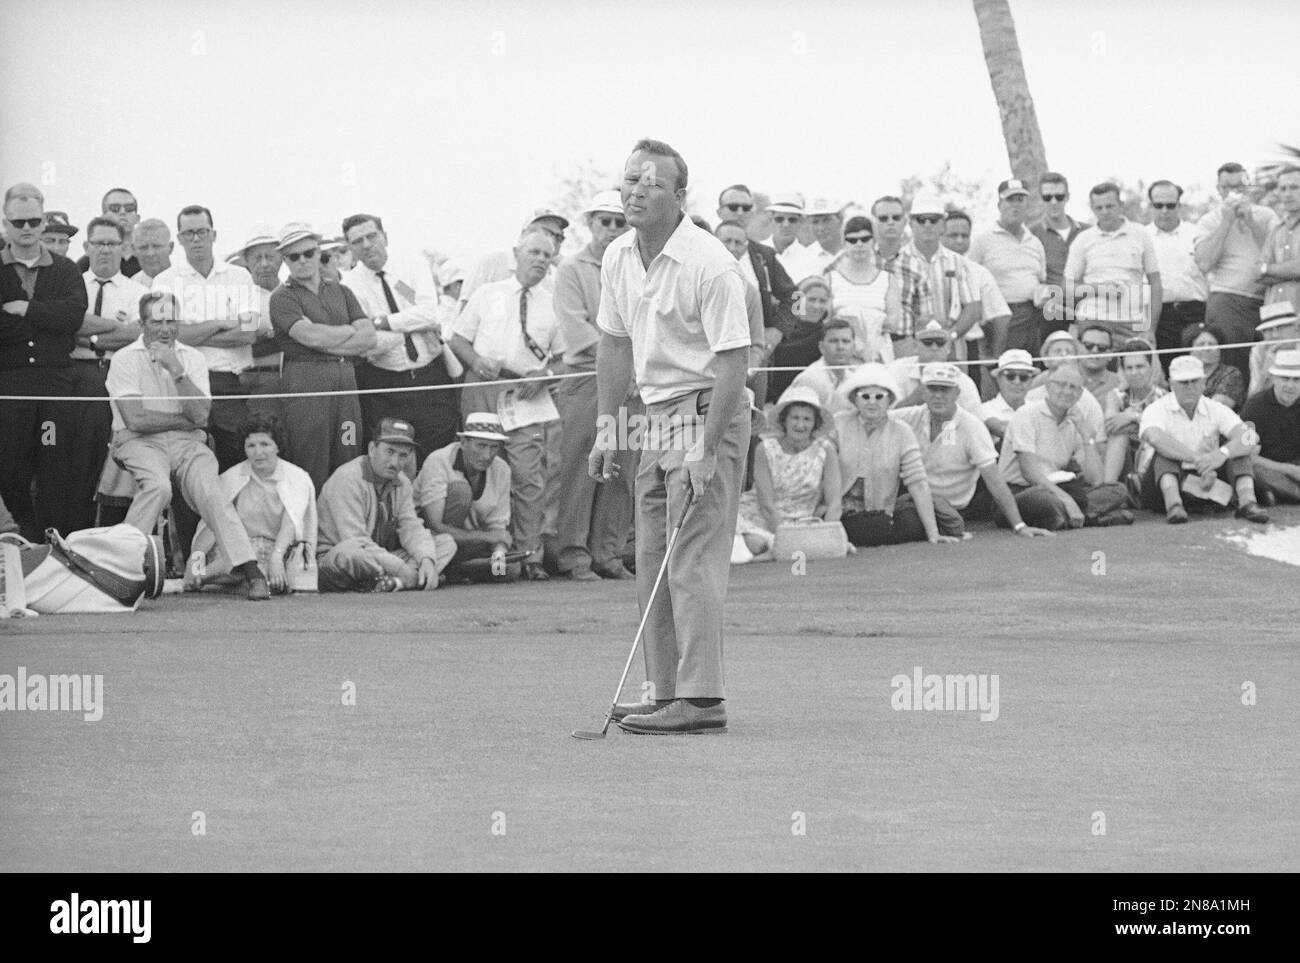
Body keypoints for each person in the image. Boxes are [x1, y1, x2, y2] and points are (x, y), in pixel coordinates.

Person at [590, 138, 752, 735]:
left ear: (680, 196)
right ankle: (664, 693)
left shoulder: (711, 263)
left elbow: (735, 362)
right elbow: (613, 343)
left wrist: (706, 448)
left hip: (709, 410)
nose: (635, 191)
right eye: (629, 179)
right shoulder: (616, 256)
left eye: (651, 183)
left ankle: (702, 700)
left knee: (691, 559)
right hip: (653, 415)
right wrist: (608, 428)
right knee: (651, 559)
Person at [105, 290, 270, 599]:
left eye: (172, 321)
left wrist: (175, 369)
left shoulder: (192, 358)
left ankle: (250, 570)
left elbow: (201, 416)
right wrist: (183, 420)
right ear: (143, 324)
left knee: (210, 492)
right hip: (139, 442)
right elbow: (136, 421)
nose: (166, 329)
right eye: (158, 321)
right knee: (158, 487)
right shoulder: (124, 359)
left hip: (187, 444)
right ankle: (118, 565)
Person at [450, 227, 570, 581]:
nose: (540, 261)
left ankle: (529, 556)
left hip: (527, 394)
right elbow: (457, 339)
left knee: (529, 476)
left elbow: (565, 359)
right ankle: (477, 554)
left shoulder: (554, 302)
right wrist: (474, 361)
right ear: (516, 253)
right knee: (478, 467)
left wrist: (545, 375)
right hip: (485, 385)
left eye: (547, 256)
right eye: (533, 252)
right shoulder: (488, 294)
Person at [554, 191, 635, 581]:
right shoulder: (572, 269)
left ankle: (610, 554)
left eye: (621, 222)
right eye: (606, 221)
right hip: (587, 381)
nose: (613, 229)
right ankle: (573, 556)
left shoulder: (638, 267)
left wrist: (633, 366)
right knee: (582, 469)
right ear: (591, 223)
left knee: (621, 470)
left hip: (633, 382)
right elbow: (578, 333)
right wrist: (623, 359)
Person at [1, 182, 87, 542]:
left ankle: (56, 543)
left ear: (42, 223)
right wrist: (46, 321)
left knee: (53, 461)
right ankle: (21, 541)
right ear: (5, 222)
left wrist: (25, 309)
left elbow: (73, 316)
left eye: (32, 221)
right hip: (11, 385)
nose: (25, 229)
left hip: (54, 388)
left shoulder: (66, 269)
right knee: (11, 466)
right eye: (17, 222)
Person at [341, 212, 460, 455]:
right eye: (357, 241)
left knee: (439, 453)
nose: (366, 245)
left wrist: (383, 321)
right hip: (385, 384)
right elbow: (367, 343)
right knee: (392, 458)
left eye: (371, 236)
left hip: (430, 377)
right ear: (350, 247)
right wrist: (410, 326)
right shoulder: (350, 285)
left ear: (385, 237)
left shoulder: (412, 265)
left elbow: (430, 314)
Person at [269, 222, 376, 491]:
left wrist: (327, 340)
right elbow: (310, 337)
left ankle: (346, 523)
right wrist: (350, 331)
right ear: (285, 261)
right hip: (308, 384)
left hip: (346, 387)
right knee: (311, 456)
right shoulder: (282, 297)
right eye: (294, 256)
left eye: (308, 253)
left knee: (349, 447)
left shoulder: (342, 291)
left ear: (319, 253)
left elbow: (369, 338)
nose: (302, 260)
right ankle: (311, 528)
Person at [154, 204, 260, 471]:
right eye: (188, 233)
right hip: (183, 382)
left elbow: (249, 332)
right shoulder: (164, 282)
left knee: (234, 464)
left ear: (214, 234)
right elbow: (165, 334)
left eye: (202, 231)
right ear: (178, 239)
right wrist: (220, 323)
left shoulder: (240, 276)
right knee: (186, 466)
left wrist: (191, 334)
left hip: (230, 383)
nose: (196, 239)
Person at [893, 363, 1050, 537]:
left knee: (907, 524)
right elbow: (874, 415)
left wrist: (1020, 526)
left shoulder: (972, 426)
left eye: (945, 389)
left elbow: (994, 479)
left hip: (951, 507)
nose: (938, 395)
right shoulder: (907, 417)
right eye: (932, 388)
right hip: (914, 499)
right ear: (923, 392)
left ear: (957, 393)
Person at [66, 217, 148, 531]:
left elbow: (140, 334)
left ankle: (114, 540)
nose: (105, 250)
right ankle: (75, 535)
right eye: (98, 243)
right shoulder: (70, 284)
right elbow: (68, 325)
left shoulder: (137, 291)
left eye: (112, 244)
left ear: (123, 248)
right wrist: (117, 328)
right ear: (87, 246)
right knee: (78, 460)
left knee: (114, 462)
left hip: (119, 375)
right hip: (77, 376)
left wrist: (93, 335)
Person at [316, 417, 454, 592]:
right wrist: (401, 568)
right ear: (372, 449)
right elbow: (356, 540)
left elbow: (411, 528)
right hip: (338, 558)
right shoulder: (347, 478)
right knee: (353, 552)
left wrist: (427, 560)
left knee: (445, 543)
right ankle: (405, 580)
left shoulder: (402, 482)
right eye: (389, 451)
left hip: (381, 556)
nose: (395, 462)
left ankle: (394, 583)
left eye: (403, 455)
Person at [832, 363, 961, 546]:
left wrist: (933, 533)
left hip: (880, 513)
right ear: (855, 400)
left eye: (879, 397)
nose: (872, 402)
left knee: (910, 522)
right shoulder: (838, 424)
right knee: (880, 526)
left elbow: (917, 483)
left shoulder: (902, 431)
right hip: (837, 512)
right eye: (865, 396)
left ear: (889, 400)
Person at [187, 413, 317, 594]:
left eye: (265, 444)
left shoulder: (296, 477)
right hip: (237, 548)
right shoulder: (232, 477)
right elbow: (210, 524)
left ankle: (207, 581)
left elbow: (291, 523)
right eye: (251, 446)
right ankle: (201, 577)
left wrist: (277, 558)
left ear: (277, 447)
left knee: (267, 570)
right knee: (245, 555)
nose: (258, 452)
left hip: (279, 550)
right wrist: (196, 562)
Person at [1137, 355, 1268, 524]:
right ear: (1171, 384)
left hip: (1208, 475)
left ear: (1203, 383)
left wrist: (1222, 453)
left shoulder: (1214, 408)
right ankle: (1174, 505)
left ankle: (1248, 503)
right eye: (1184, 382)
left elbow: (1251, 437)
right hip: (1164, 484)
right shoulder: (1157, 408)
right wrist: (1197, 459)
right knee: (1165, 454)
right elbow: (1155, 437)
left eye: (1194, 381)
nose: (1189, 387)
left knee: (1237, 453)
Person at [996, 363, 1116, 531]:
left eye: (1073, 387)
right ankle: (1083, 516)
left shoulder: (1075, 420)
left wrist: (1087, 437)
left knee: (1117, 490)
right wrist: (1068, 500)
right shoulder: (1027, 414)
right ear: (1048, 387)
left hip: (1058, 486)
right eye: (1061, 385)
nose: (1067, 392)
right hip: (1021, 491)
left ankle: (1064, 517)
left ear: (1080, 393)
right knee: (1046, 500)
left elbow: (1096, 480)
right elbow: (1029, 472)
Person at [1194, 162, 1282, 380]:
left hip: (1267, 300)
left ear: (1248, 188)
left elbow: (1279, 256)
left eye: (1239, 187)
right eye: (1227, 187)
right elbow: (1204, 263)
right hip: (1229, 300)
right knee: (1233, 366)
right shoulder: (1209, 220)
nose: (1234, 192)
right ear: (1219, 190)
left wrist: (1252, 223)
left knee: (1270, 364)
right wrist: (1226, 223)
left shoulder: (1266, 215)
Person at [735, 386, 841, 557]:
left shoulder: (826, 450)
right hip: (758, 518)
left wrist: (828, 536)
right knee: (758, 546)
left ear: (815, 423)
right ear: (784, 420)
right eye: (795, 418)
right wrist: (786, 539)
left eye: (807, 419)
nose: (800, 424)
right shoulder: (765, 449)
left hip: (804, 523)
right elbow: (766, 505)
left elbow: (834, 503)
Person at [414, 413, 516, 580]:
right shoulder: (438, 460)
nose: (487, 455)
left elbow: (498, 529)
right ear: (463, 442)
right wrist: (486, 537)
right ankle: (453, 567)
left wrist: (499, 553)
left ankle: (455, 569)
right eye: (481, 446)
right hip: (429, 540)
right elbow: (435, 525)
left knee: (510, 570)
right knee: (461, 491)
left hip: (469, 542)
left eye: (493, 447)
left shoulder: (502, 469)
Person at [1065, 183, 1162, 340]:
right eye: (1099, 208)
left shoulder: (1140, 234)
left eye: (1110, 206)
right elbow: (1067, 287)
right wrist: (1099, 289)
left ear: (1120, 205)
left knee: (1134, 363)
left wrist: (1150, 328)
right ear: (1093, 209)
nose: (1105, 212)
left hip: (1131, 321)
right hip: (1092, 319)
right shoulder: (1083, 239)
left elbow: (1155, 283)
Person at [969, 179, 1048, 355]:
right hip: (998, 318)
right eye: (1010, 200)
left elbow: (1042, 279)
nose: (1015, 206)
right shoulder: (983, 240)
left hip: (1032, 316)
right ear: (999, 205)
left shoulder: (1034, 242)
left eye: (1020, 200)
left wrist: (1042, 292)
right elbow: (970, 281)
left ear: (1027, 205)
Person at [941, 210, 1012, 396]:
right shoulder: (927, 267)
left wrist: (994, 356)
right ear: (940, 235)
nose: (959, 241)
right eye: (952, 235)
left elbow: (1001, 316)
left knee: (969, 402)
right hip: (933, 346)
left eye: (964, 236)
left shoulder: (978, 273)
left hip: (969, 348)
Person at [903, 196, 981, 362]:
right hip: (910, 351)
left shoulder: (959, 262)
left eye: (934, 219)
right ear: (911, 223)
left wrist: (950, 336)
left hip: (952, 350)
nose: (928, 225)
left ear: (943, 225)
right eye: (921, 219)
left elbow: (973, 307)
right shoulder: (897, 262)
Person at [1145, 180, 1208, 373]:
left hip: (1195, 313)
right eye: (1158, 205)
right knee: (1164, 373)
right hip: (1157, 317)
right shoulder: (1141, 236)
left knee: (1197, 371)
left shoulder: (1196, 233)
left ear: (1179, 205)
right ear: (1151, 206)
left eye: (1170, 205)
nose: (1165, 210)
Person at [824, 215, 901, 363]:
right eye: (852, 240)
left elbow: (893, 322)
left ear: (873, 241)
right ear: (844, 243)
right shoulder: (830, 278)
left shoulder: (888, 279)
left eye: (865, 239)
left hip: (879, 357)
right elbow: (825, 320)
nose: (859, 244)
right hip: (840, 355)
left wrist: (852, 319)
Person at [458, 209, 568, 308]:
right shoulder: (491, 263)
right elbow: (464, 311)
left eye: (559, 237)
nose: (554, 240)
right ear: (525, 233)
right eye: (548, 233)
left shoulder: (549, 284)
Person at [870, 195, 934, 356]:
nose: (890, 222)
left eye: (896, 217)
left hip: (903, 344)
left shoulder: (916, 266)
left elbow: (925, 316)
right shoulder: (858, 262)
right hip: (865, 342)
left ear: (904, 222)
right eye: (883, 218)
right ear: (874, 222)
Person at [236, 225, 286, 423]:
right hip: (252, 378)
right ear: (247, 262)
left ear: (281, 258)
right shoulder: (240, 297)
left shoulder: (294, 292)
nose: (264, 264)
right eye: (257, 258)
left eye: (270, 257)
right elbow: (245, 339)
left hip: (288, 378)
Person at [1030, 171, 1089, 336]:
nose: (1054, 202)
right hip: (1052, 310)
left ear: (1067, 197)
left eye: (1059, 196)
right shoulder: (1032, 235)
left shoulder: (1087, 232)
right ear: (1041, 198)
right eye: (1048, 197)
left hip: (1088, 305)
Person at [1101, 339, 1166, 483]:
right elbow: (1111, 426)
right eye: (1129, 368)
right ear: (1123, 371)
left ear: (1150, 367)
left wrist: (1132, 416)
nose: (1134, 372)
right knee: (1119, 434)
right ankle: (1109, 487)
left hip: (1154, 456)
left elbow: (1162, 431)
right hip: (1124, 456)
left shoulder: (1163, 397)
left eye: (1140, 366)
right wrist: (1136, 420)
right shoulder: (1116, 396)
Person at [1026, 330, 1107, 442]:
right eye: (1058, 351)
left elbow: (1099, 442)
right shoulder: (1031, 397)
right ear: (1045, 360)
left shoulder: (1088, 402)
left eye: (1068, 351)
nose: (1063, 355)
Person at [887, 319, 981, 414]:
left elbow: (977, 422)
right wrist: (915, 398)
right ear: (915, 345)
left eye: (940, 342)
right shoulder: (896, 370)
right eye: (927, 342)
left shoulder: (963, 382)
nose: (934, 348)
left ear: (948, 347)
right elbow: (884, 418)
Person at [1242, 349, 1300, 503]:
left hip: (1296, 466)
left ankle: (1278, 494)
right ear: (1274, 378)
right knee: (1251, 470)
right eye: (1285, 378)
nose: (1290, 385)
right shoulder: (1253, 407)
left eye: (1296, 380)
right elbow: (1248, 455)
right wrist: (1288, 469)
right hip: (1268, 467)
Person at [767, 275, 831, 401]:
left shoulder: (827, 334)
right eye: (812, 300)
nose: (817, 306)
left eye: (822, 301)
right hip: (772, 398)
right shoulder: (779, 328)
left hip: (810, 398)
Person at [790, 318, 860, 416]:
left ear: (853, 348)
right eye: (833, 341)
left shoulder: (855, 378)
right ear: (821, 347)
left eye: (845, 341)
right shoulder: (810, 379)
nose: (840, 346)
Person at [75, 188, 142, 277]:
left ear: (137, 218)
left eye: (129, 208)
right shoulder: (87, 264)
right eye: (115, 208)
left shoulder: (149, 259)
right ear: (103, 217)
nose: (122, 212)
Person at [1260, 166, 1300, 308]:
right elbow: (1258, 275)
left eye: (1294, 187)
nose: (1288, 194)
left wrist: (1267, 269)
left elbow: (1263, 269)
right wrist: (1290, 271)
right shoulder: (1276, 230)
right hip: (1277, 318)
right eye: (1283, 189)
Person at [980, 349, 1037, 446]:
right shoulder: (983, 411)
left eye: (1024, 377)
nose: (1017, 381)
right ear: (998, 378)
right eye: (1010, 376)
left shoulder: (1039, 409)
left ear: (1031, 381)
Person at [1183, 323, 1245, 410]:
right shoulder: (1182, 374)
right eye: (1201, 344)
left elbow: (1215, 410)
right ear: (1190, 351)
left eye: (1211, 344)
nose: (1207, 348)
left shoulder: (1231, 374)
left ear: (1220, 350)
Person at [1248, 301, 1299, 397]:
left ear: (1296, 329)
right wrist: (1265, 372)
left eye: (1280, 327)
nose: (1275, 335)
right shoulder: (1259, 351)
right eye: (1269, 330)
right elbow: (1252, 400)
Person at [130, 219, 174, 288]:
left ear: (171, 247)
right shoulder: (131, 286)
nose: (150, 253)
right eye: (143, 247)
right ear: (133, 250)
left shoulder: (186, 283)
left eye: (156, 246)